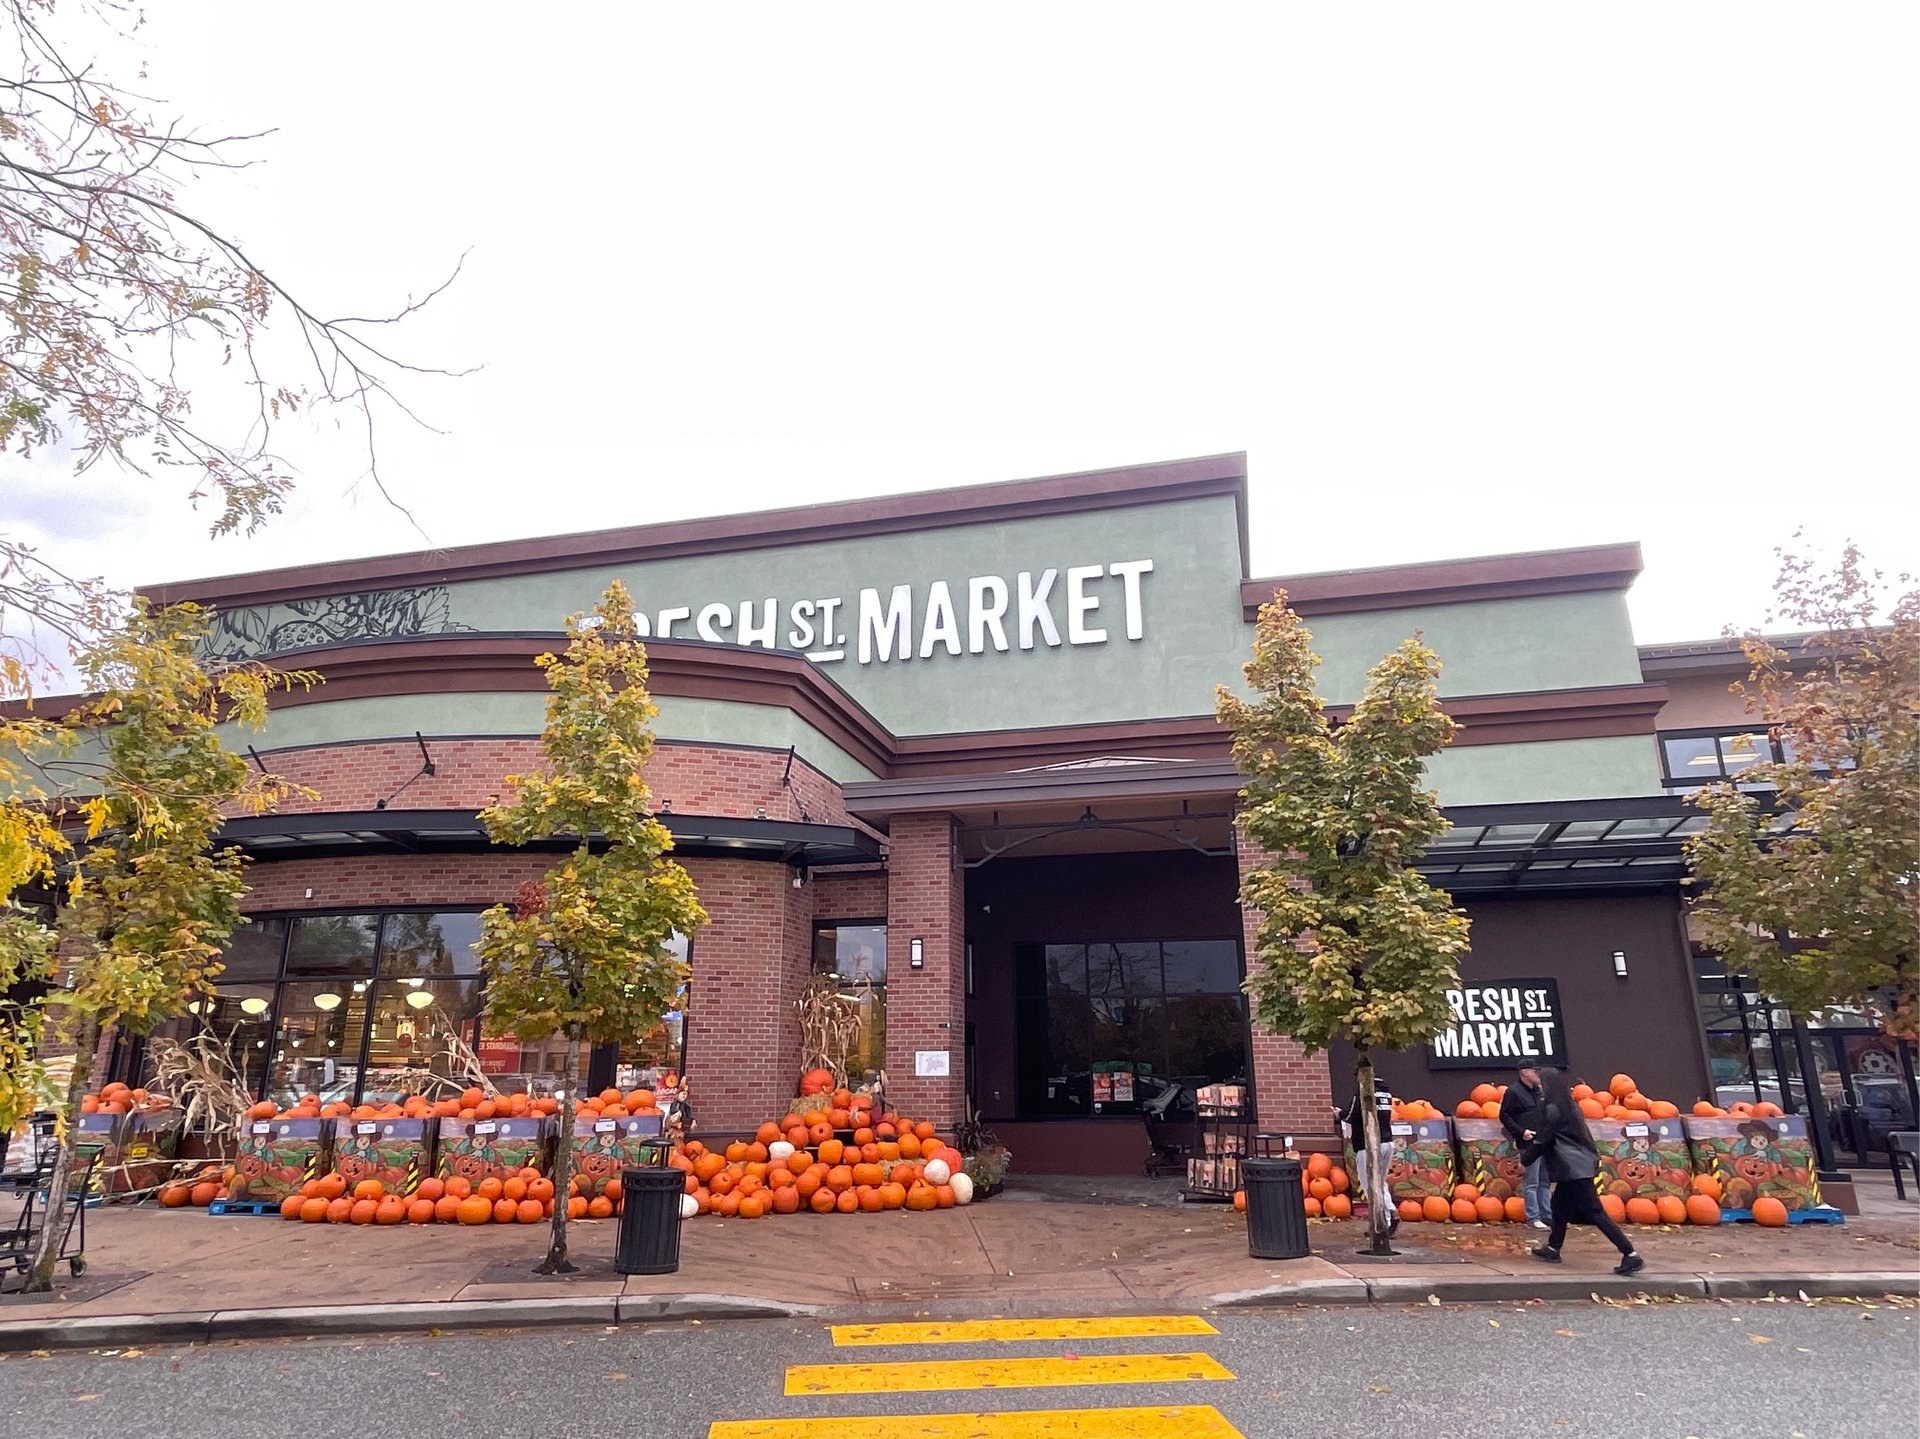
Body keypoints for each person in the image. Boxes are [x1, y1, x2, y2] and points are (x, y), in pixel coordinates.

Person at [1520, 1067, 1644, 1276]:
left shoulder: (1553, 1109)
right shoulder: (1571, 1106)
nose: (1540, 1087)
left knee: (1595, 1212)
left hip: (1573, 1168)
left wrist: (1527, 1158)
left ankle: (1630, 1254)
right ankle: (1553, 1248)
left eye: (1542, 1083)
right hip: (1580, 1163)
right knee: (1558, 1206)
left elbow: (1545, 1139)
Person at [1499, 1064, 1553, 1230]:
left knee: (1545, 1181)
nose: (1538, 1074)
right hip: (1528, 1143)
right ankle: (1533, 1217)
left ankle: (1547, 1216)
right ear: (1525, 1072)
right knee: (1531, 1182)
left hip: (1543, 1141)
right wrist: (1521, 1132)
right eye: (1535, 1071)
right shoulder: (1513, 1092)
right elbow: (1504, 1115)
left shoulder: (1539, 1091)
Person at [1338, 1080, 1395, 1216]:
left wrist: (1339, 1114)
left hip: (1367, 1145)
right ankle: (1390, 1212)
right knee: (1380, 1181)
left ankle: (1384, 1220)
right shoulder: (1386, 1094)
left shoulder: (1363, 1093)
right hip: (1387, 1142)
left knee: (1370, 1184)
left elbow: (1353, 1115)